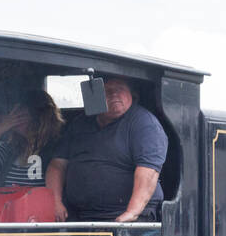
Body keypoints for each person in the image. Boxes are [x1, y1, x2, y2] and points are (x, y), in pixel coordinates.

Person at [45, 77, 168, 222]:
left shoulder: (144, 124)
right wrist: (55, 202)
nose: (114, 94)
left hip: (126, 218)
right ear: (96, 96)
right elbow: (57, 165)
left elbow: (149, 171)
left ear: (132, 95)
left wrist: (132, 212)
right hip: (80, 216)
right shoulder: (80, 123)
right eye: (107, 90)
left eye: (120, 89)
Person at [0, 89, 65, 188]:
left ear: (38, 116)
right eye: (12, 113)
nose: (13, 117)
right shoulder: (10, 147)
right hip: (11, 202)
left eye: (20, 112)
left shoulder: (58, 147)